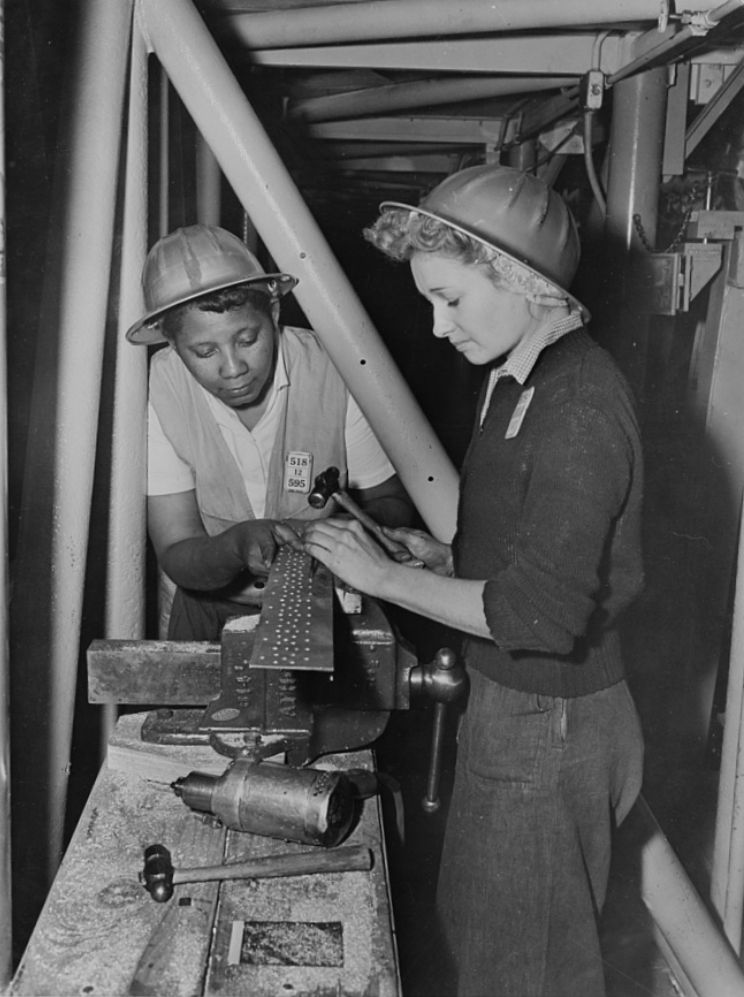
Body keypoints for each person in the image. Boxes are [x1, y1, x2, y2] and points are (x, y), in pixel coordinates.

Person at [302, 165, 645, 997]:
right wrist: (440, 557)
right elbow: (529, 556)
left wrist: (380, 573)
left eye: (451, 298)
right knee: (483, 950)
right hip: (515, 705)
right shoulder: (516, 381)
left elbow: (537, 613)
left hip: (550, 716)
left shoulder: (581, 407)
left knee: (519, 974)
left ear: (524, 283)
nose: (436, 323)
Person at [126, 223, 414, 639]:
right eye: (204, 352)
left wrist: (331, 538)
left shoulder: (335, 370)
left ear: (274, 314)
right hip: (209, 613)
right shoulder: (161, 387)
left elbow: (389, 501)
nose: (233, 368)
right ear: (171, 344)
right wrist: (234, 548)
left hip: (330, 606)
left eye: (247, 339)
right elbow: (175, 547)